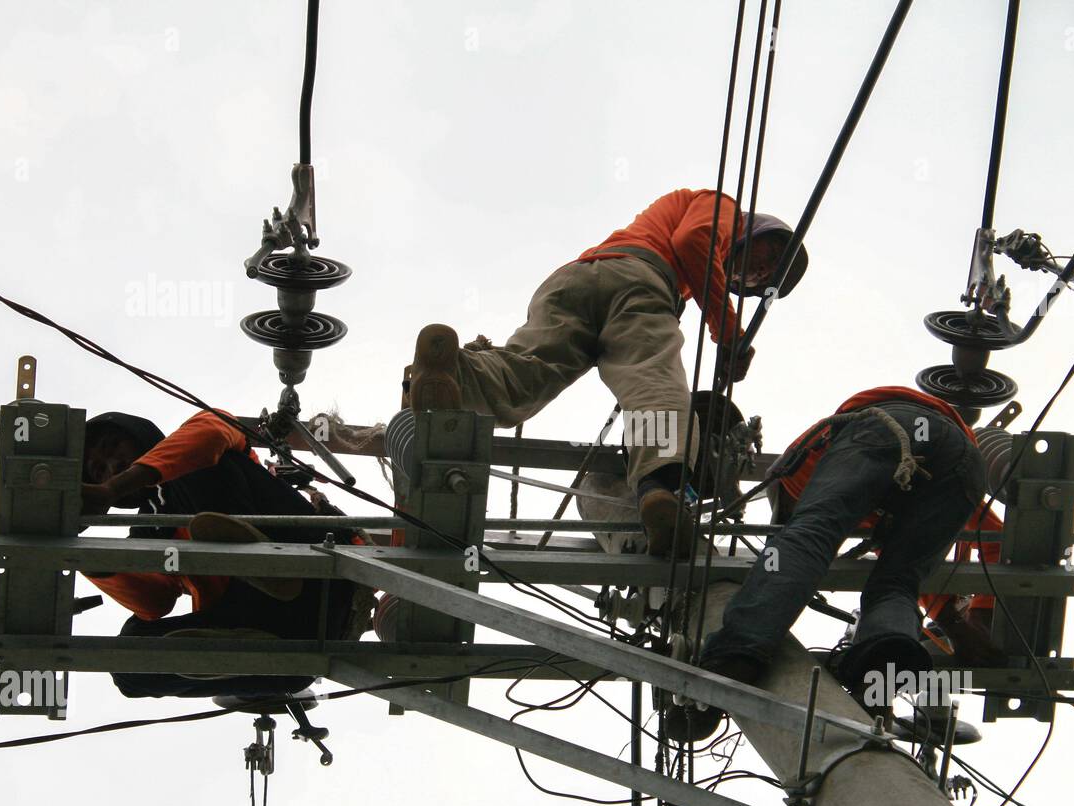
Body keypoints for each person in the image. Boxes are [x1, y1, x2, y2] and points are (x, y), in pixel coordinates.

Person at [406, 188, 807, 556]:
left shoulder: (683, 256)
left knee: (528, 371)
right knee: (653, 381)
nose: (758, 273)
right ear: (755, 228)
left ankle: (450, 373)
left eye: (760, 280)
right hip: (638, 279)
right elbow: (693, 241)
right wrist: (728, 331)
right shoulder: (724, 206)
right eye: (768, 256)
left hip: (572, 281)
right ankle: (661, 488)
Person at [666, 385, 987, 742]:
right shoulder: (889, 493)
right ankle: (881, 666)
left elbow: (796, 543)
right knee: (898, 582)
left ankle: (735, 655)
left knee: (809, 537)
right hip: (965, 460)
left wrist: (768, 589)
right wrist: (967, 624)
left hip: (886, 425)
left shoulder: (789, 475)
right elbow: (991, 535)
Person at [80, 409, 370, 699]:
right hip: (284, 633)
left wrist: (111, 488)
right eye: (99, 471)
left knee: (191, 465)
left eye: (111, 448)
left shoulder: (203, 434)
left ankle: (262, 563)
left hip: (319, 574)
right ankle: (251, 656)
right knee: (126, 658)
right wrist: (87, 557)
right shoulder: (148, 532)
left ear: (136, 433)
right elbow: (155, 603)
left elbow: (211, 434)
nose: (112, 466)